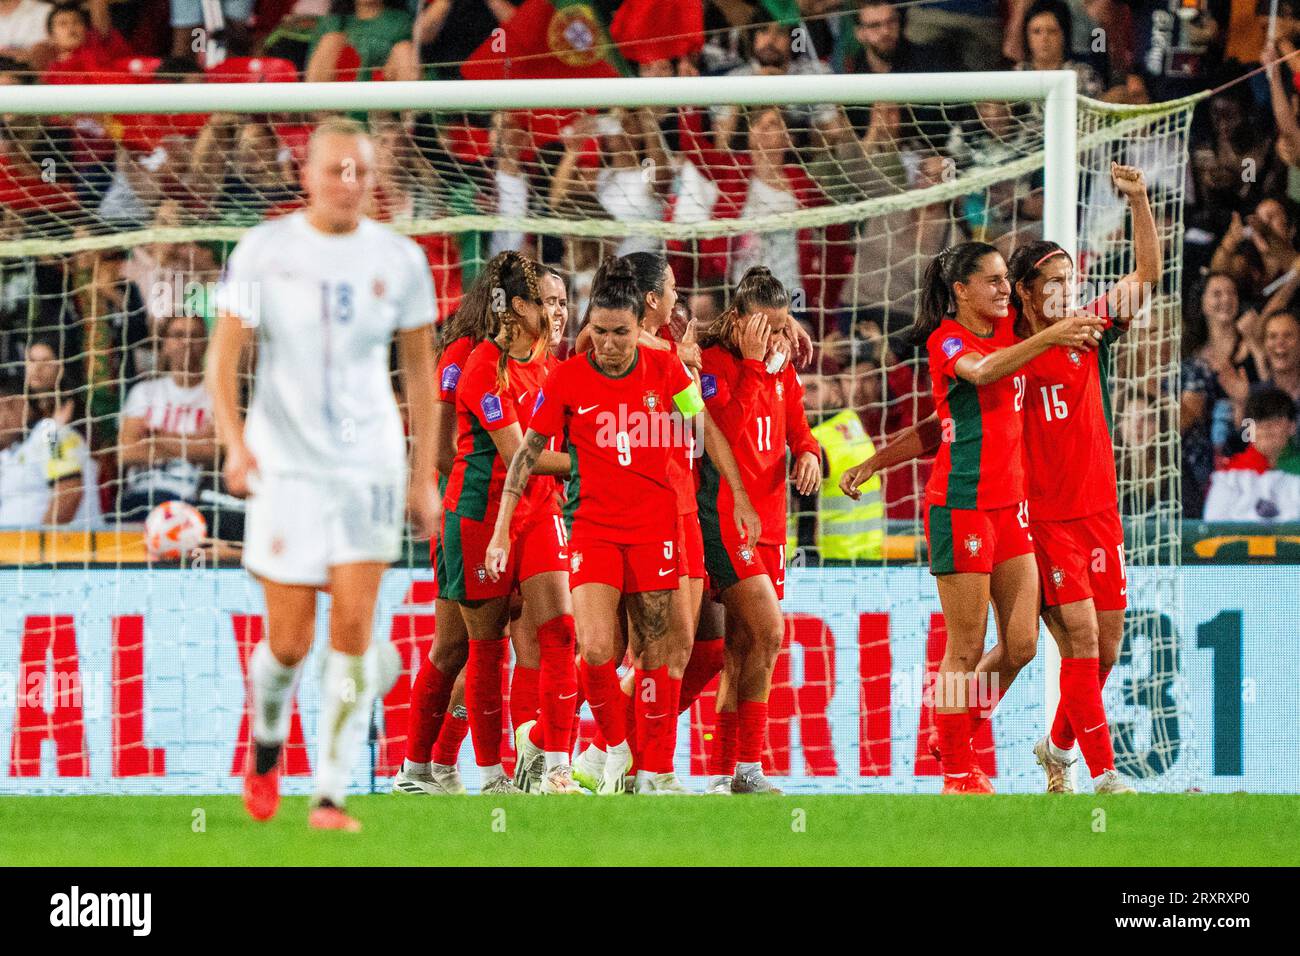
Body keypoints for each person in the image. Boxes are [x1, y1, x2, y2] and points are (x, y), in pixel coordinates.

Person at [208, 117, 439, 832]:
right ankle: (269, 741)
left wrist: (422, 476)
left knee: (353, 627)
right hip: (286, 467)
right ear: (304, 175)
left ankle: (330, 794)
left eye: (358, 172)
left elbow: (422, 376)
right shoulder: (261, 252)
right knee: (287, 642)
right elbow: (223, 359)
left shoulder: (400, 261)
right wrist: (235, 443)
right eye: (333, 170)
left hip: (367, 463)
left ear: (373, 181)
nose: (346, 183)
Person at [488, 256, 760, 795]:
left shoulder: (666, 372)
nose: (609, 344)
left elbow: (703, 426)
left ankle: (655, 773)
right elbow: (525, 456)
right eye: (602, 332)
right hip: (593, 529)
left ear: (640, 328)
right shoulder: (567, 378)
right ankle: (613, 749)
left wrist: (742, 500)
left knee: (660, 654)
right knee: (593, 650)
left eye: (621, 333)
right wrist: (500, 529)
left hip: (657, 529)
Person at [844, 240, 1106, 794]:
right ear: (961, 290)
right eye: (991, 280)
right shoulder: (949, 340)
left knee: (1023, 645)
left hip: (1012, 511)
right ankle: (957, 772)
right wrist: (875, 461)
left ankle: (955, 729)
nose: (1004, 289)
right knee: (964, 645)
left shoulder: (1012, 328)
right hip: (960, 507)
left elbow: (941, 424)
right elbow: (982, 375)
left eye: (1006, 280)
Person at [438, 251, 576, 795]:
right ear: (520, 307)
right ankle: (482, 771)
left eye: (566, 302)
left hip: (541, 512)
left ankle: (554, 763)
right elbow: (519, 455)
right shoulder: (481, 367)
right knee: (478, 650)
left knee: (559, 634)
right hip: (480, 516)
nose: (560, 313)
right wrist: (597, 460)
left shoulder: (556, 365)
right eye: (550, 303)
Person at [696, 266, 822, 795]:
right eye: (764, 326)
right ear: (738, 319)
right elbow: (724, 432)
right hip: (727, 520)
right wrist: (751, 366)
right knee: (770, 632)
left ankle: (732, 775)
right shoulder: (714, 365)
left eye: (781, 324)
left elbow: (800, 431)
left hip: (772, 527)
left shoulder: (783, 370)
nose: (775, 336)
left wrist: (812, 456)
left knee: (742, 649)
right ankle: (741, 767)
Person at [394, 262, 502, 797]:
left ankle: (435, 765)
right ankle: (425, 766)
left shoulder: (529, 360)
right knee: (457, 645)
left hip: (515, 518)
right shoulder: (463, 358)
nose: (553, 311)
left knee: (483, 644)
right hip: (472, 515)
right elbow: (439, 449)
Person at [117, 314, 229, 535]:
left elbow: (216, 451)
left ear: (206, 343)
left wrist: (155, 439)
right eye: (178, 335)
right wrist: (194, 442)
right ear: (165, 344)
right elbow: (126, 453)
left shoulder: (216, 395)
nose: (186, 342)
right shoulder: (145, 392)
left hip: (193, 501)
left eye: (195, 336)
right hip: (140, 499)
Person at [1204, 387, 1300, 521]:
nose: (1266, 427)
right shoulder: (1228, 477)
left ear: (1292, 427)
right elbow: (1213, 528)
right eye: (1258, 421)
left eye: (1276, 420)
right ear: (1248, 430)